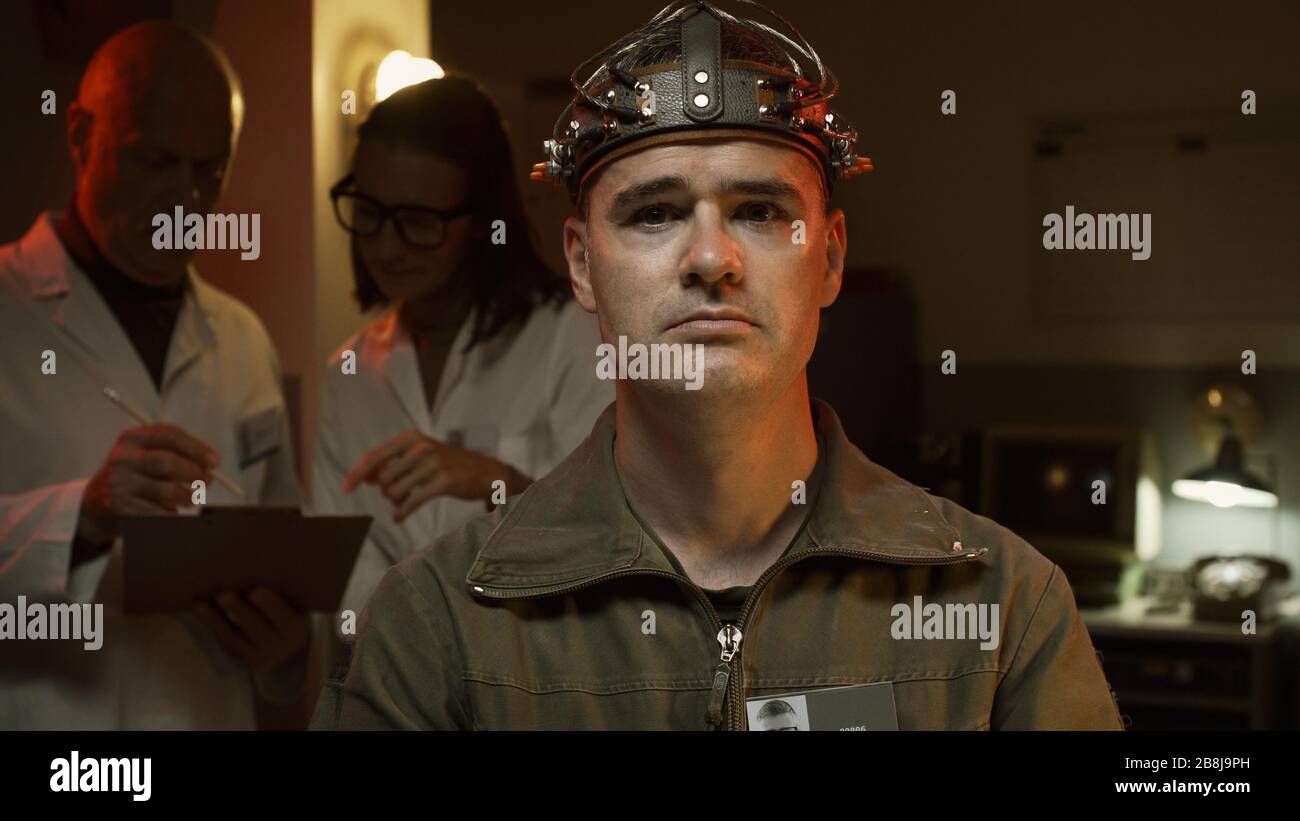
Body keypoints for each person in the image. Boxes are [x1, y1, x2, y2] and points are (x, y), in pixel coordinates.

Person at [315, 1, 1124, 730]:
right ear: (583, 266)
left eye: (761, 211)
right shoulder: (439, 624)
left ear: (831, 258)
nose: (711, 257)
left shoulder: (1000, 608)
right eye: (656, 212)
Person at [0, 21, 311, 729]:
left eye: (209, 169)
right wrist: (83, 515)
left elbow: (286, 562)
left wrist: (286, 648)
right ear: (80, 134)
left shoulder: (242, 338)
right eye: (155, 161)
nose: (187, 200)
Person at [311, 77, 611, 631]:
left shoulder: (571, 337)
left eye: (419, 222)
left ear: (480, 224)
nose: (385, 245)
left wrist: (502, 482)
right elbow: (349, 581)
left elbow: (614, 538)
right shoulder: (350, 375)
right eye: (369, 211)